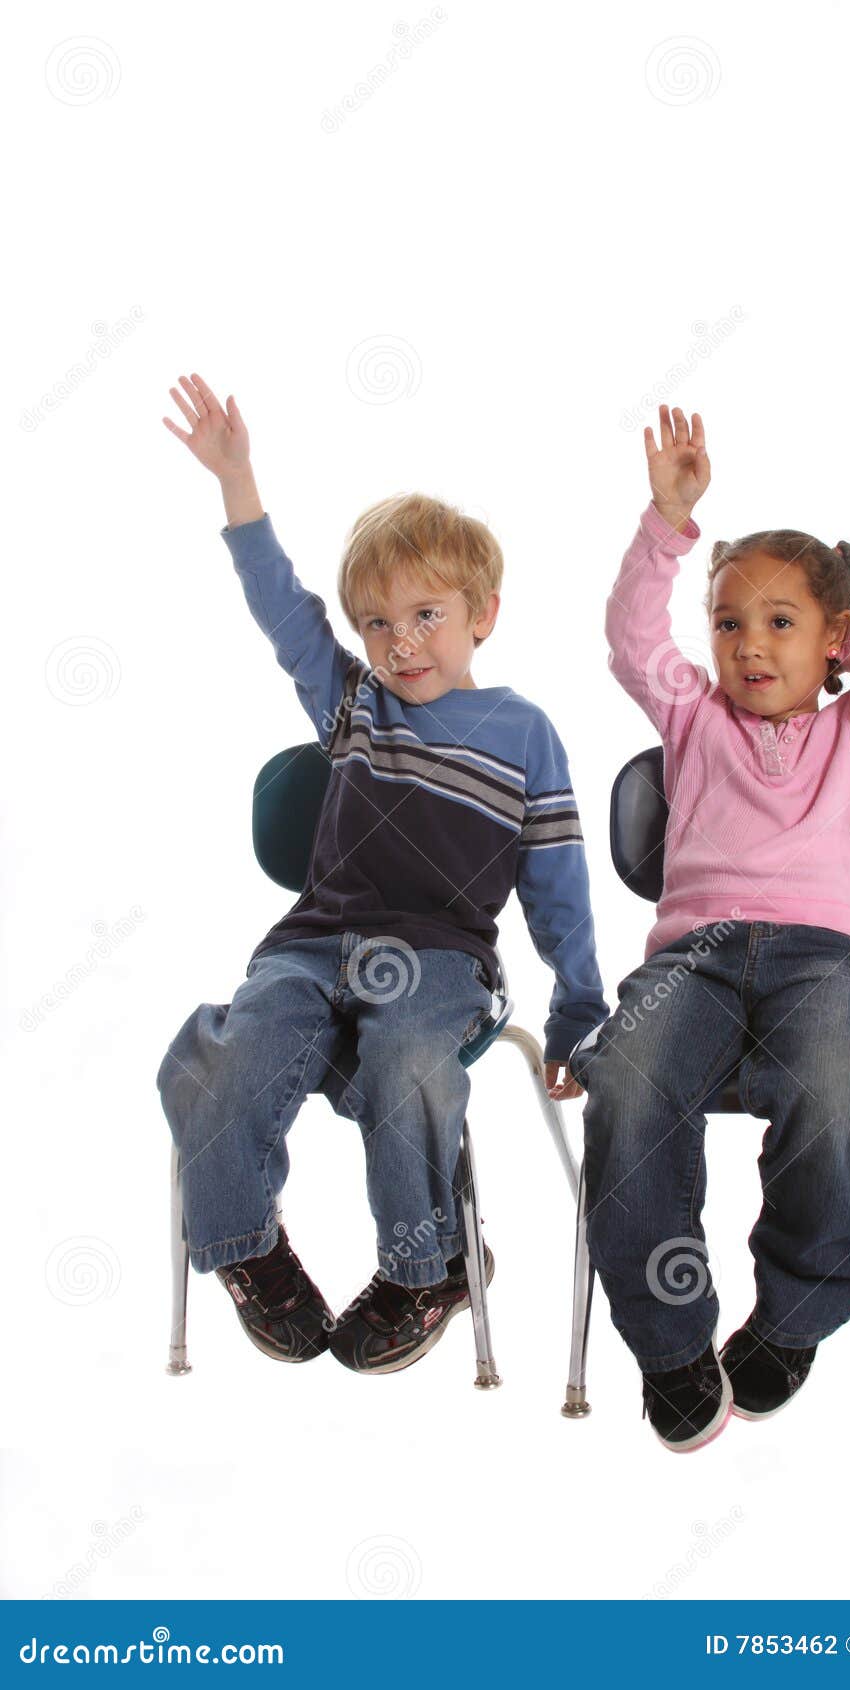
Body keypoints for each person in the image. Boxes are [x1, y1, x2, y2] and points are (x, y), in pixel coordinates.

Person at [156, 372, 608, 1373]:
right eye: (378, 623)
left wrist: (579, 1007)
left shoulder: (523, 733)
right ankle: (249, 1249)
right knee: (223, 1060)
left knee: (405, 1059)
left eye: (427, 615)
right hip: (312, 949)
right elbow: (281, 608)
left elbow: (558, 885)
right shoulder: (353, 705)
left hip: (439, 960)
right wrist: (239, 482)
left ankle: (427, 1268)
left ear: (482, 612)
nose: (401, 642)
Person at [574, 403, 850, 1452]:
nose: (748, 646)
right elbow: (626, 637)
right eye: (729, 622)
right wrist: (668, 524)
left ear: (827, 642)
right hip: (692, 958)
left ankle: (793, 1314)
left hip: (820, 959)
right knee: (625, 1083)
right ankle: (668, 1338)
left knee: (833, 1088)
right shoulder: (690, 717)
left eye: (778, 623)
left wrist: (837, 630)